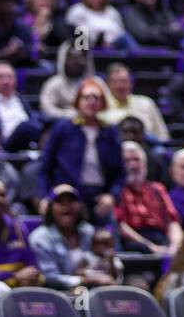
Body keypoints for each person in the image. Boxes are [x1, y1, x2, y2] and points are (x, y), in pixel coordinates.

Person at [38, 80, 123, 220]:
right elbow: (45, 167)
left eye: (96, 98)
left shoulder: (110, 132)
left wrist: (112, 195)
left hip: (99, 196)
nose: (91, 101)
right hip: (67, 195)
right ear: (78, 101)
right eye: (86, 97)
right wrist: (45, 196)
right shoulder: (63, 128)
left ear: (103, 103)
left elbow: (120, 172)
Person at [29, 184, 116, 291]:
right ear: (50, 208)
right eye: (60, 202)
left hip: (92, 293)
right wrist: (82, 280)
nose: (66, 205)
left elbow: (102, 266)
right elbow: (48, 277)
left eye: (71, 201)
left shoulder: (89, 232)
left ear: (80, 206)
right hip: (58, 295)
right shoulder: (40, 238)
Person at [114, 141, 183, 255]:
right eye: (127, 161)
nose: (133, 165)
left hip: (161, 238)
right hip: (134, 241)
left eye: (136, 160)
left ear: (145, 164)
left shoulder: (158, 189)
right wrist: (150, 247)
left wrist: (175, 245)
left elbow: (173, 222)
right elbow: (120, 226)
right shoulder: (117, 191)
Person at [99, 62, 170, 142]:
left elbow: (163, 134)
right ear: (108, 83)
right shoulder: (101, 105)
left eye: (124, 81)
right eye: (116, 81)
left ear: (131, 82)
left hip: (147, 148)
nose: (121, 86)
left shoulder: (146, 103)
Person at [65, 0, 129, 51]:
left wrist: (108, 40)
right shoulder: (77, 10)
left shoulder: (111, 11)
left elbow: (120, 31)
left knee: (125, 37)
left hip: (114, 46)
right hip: (88, 47)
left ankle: (140, 58)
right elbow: (76, 34)